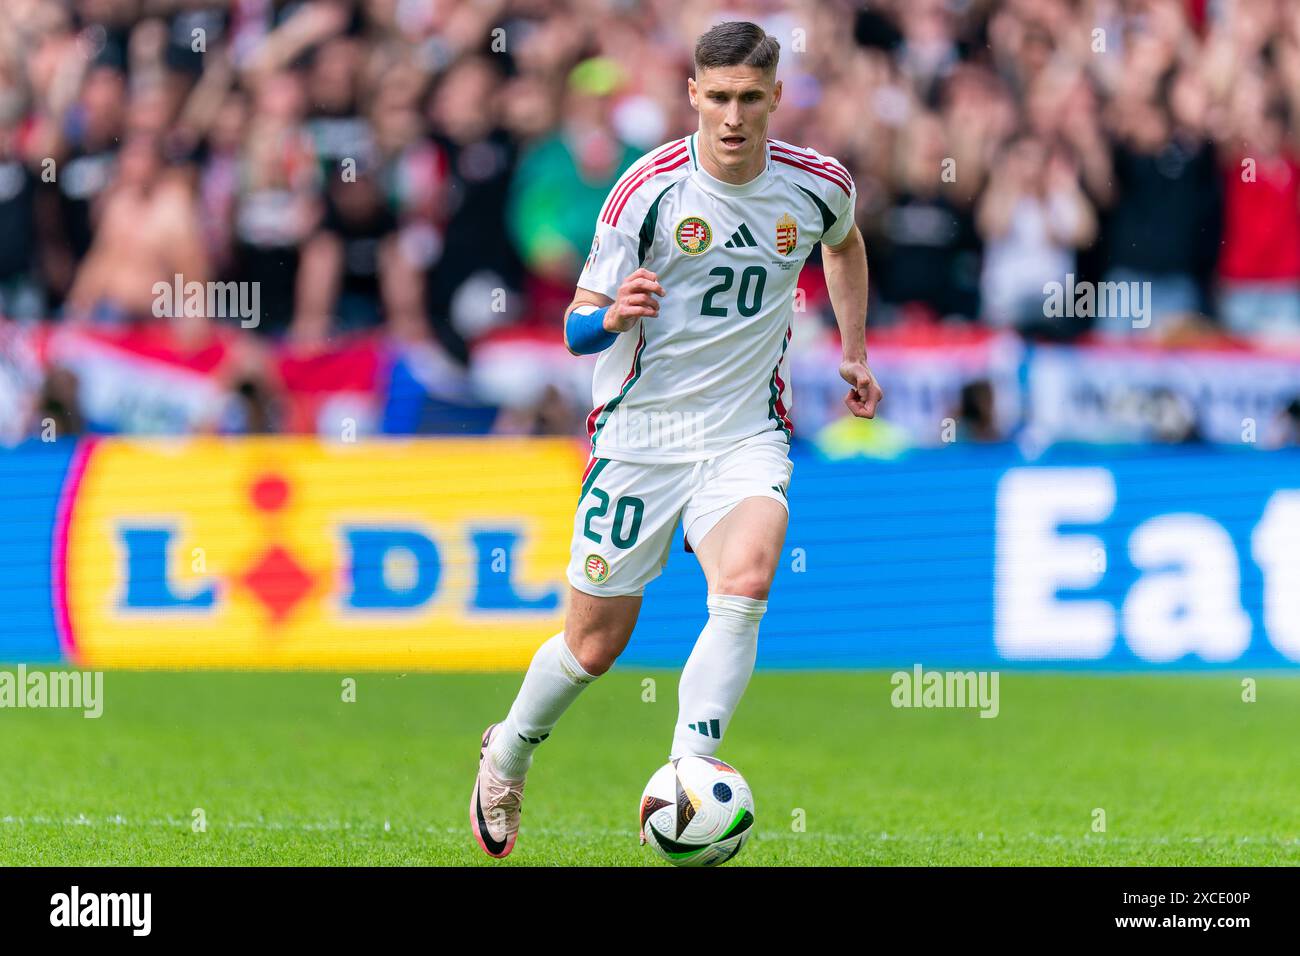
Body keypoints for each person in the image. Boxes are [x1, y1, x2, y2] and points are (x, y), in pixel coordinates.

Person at [469, 21, 883, 859]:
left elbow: (844, 244)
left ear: (775, 98)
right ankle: (507, 751)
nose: (733, 116)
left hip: (746, 433)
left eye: (750, 99)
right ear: (694, 94)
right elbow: (577, 327)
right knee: (594, 645)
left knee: (747, 577)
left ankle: (687, 773)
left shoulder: (817, 185)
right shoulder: (647, 190)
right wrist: (612, 312)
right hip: (643, 439)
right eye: (718, 97)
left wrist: (853, 347)